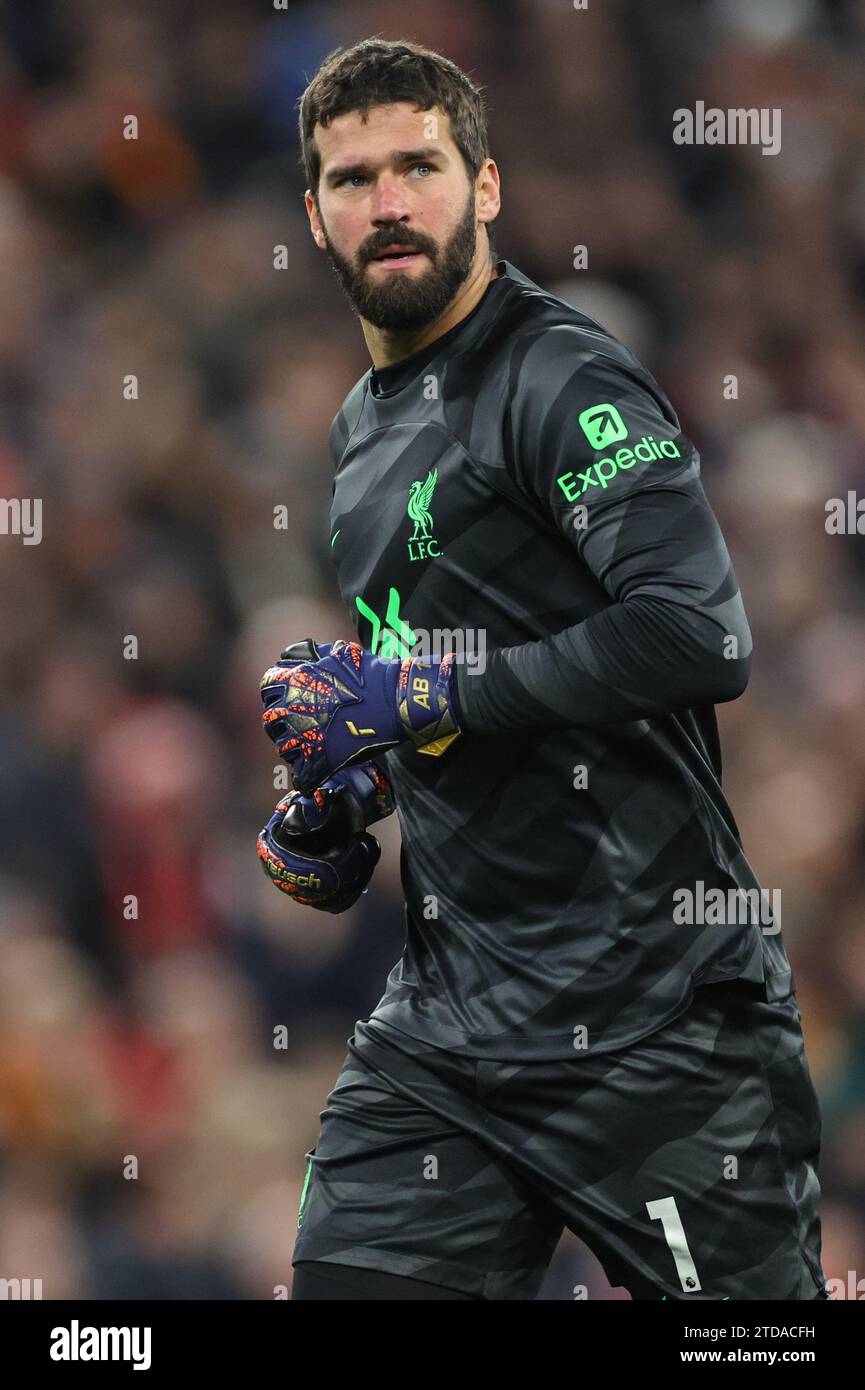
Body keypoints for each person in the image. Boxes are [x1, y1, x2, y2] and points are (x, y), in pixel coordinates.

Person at [256, 37, 828, 1301]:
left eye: (420, 164)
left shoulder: (559, 375)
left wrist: (418, 697)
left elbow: (696, 634)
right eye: (354, 179)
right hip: (448, 1034)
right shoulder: (358, 431)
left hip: (656, 1021)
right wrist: (352, 787)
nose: (389, 202)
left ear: (488, 187)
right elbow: (452, 685)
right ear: (315, 213)